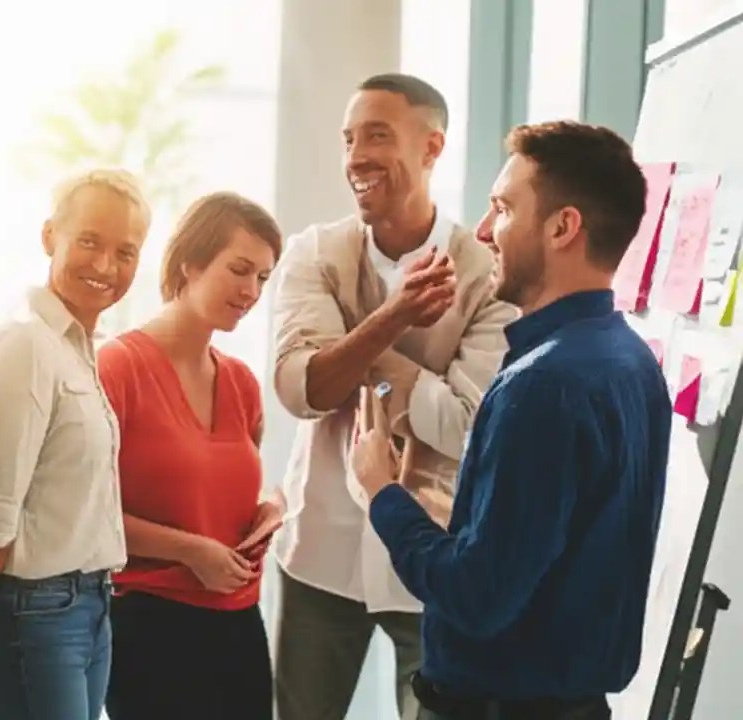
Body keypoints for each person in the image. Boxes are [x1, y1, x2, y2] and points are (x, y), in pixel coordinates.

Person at [354, 121, 671, 720]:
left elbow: (477, 597)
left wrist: (383, 492)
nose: (482, 231)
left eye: (502, 209)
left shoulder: (544, 387)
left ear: (562, 226)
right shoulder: (630, 360)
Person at [270, 73, 517, 720]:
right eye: (349, 138)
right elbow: (304, 391)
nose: (355, 156)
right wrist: (396, 318)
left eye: (377, 135)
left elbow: (464, 424)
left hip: (432, 560)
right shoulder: (313, 253)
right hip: (319, 554)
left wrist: (353, 346)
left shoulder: (487, 276)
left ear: (432, 148)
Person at [0, 169, 150, 720]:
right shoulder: (26, 346)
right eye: (89, 241)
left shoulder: (76, 348)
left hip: (89, 605)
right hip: (32, 613)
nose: (106, 266)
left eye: (126, 252)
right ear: (49, 237)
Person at [98, 192, 284, 720]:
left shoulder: (243, 383)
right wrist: (191, 551)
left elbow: (218, 490)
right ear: (190, 263)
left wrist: (262, 513)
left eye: (263, 278)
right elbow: (85, 513)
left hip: (238, 623)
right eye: (240, 270)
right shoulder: (117, 368)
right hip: (148, 624)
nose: (251, 291)